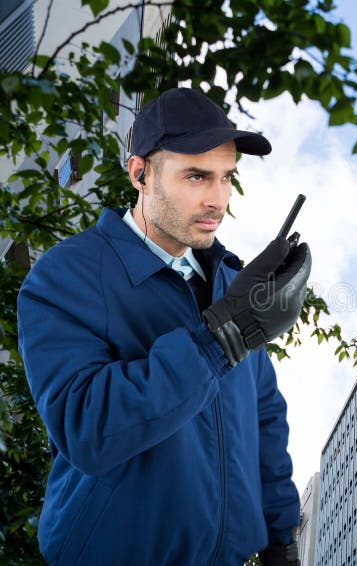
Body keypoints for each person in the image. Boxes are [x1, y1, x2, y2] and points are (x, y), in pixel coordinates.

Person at [17, 87, 311, 565]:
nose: (218, 199)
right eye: (196, 176)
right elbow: (86, 427)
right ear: (141, 174)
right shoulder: (65, 275)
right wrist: (221, 337)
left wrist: (281, 537)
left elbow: (264, 418)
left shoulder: (232, 284)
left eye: (226, 177)